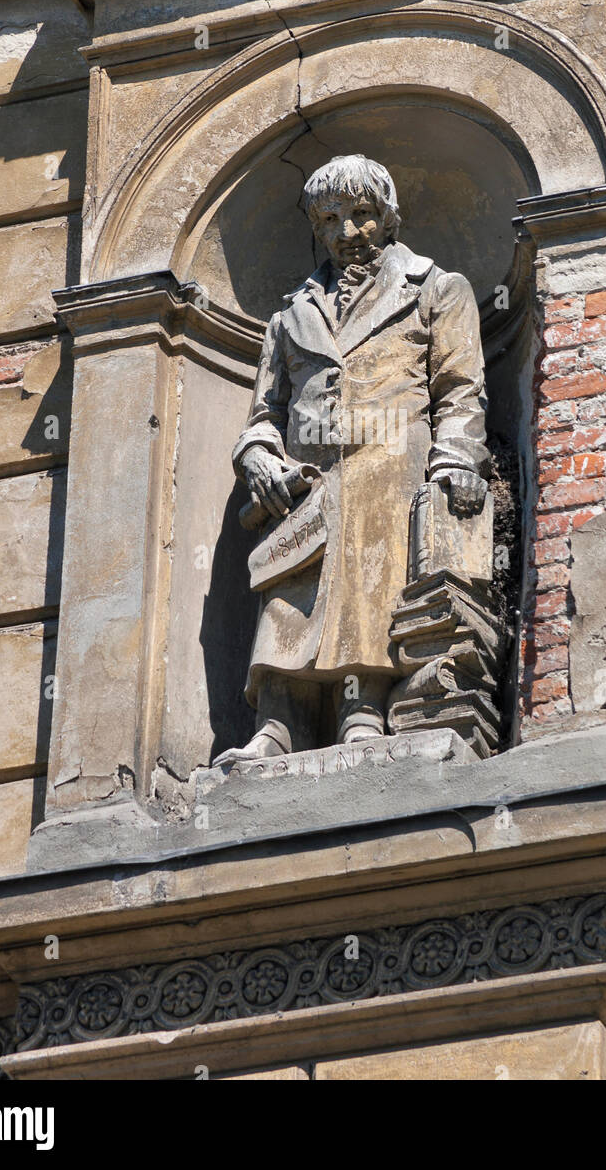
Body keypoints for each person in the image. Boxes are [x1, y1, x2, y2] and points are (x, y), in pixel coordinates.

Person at [214, 154, 489, 765]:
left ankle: (361, 711)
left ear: (389, 217)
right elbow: (264, 417)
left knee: (372, 584)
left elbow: (460, 388)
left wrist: (455, 461)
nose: (347, 232)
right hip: (306, 481)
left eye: (361, 215)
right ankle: (278, 722)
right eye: (330, 218)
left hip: (390, 465)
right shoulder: (289, 316)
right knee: (290, 591)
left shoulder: (436, 288)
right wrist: (259, 460)